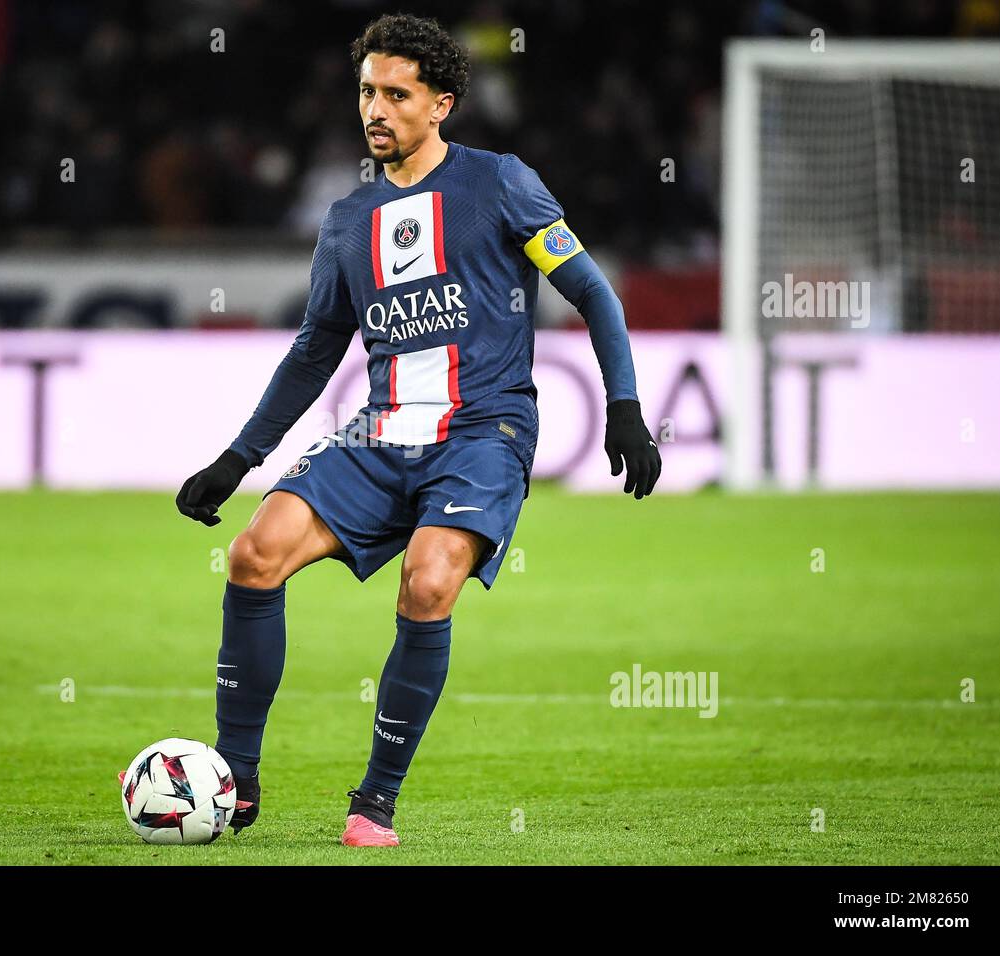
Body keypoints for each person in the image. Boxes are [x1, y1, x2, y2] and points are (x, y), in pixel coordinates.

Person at [176, 13, 660, 847]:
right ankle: (234, 779)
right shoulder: (347, 219)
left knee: (429, 580)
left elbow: (594, 293)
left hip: (483, 432)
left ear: (440, 105)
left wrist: (624, 405)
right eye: (368, 91)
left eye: (397, 94)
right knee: (255, 553)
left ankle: (375, 802)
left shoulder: (501, 183)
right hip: (378, 435)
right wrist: (237, 458)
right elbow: (315, 349)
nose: (377, 108)